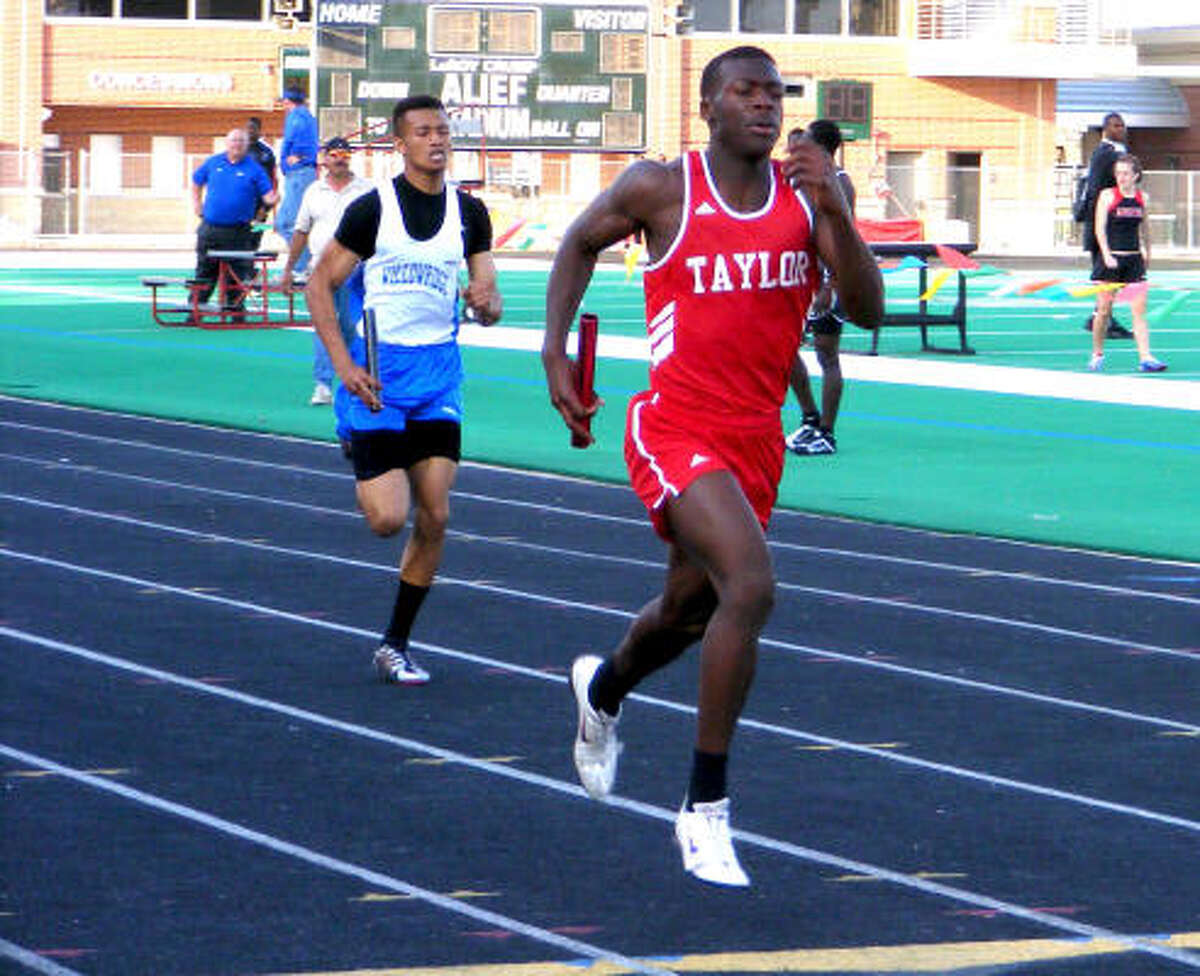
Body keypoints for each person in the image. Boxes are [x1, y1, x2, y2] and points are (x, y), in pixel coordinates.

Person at [542, 46, 883, 887]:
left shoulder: (807, 199)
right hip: (675, 427)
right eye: (746, 91)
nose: (765, 105)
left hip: (755, 441)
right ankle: (705, 808)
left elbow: (867, 310)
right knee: (752, 586)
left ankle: (603, 691)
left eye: (775, 93)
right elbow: (578, 243)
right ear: (709, 107)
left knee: (688, 613)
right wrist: (555, 351)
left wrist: (837, 210)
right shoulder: (663, 188)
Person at [305, 95, 502, 685]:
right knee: (388, 519)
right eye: (423, 132)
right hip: (377, 374)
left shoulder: (470, 213)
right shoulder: (373, 209)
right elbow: (319, 284)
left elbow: (489, 295)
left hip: (438, 375)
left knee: (436, 514)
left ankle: (395, 644)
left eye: (443, 131)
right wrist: (343, 365)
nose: (436, 140)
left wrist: (486, 302)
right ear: (401, 144)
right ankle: (353, 432)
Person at [281, 136, 373, 406]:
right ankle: (323, 383)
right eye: (334, 155)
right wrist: (289, 269)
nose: (340, 159)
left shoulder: (366, 191)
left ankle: (357, 371)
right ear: (325, 159)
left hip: (355, 270)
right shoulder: (314, 191)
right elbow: (301, 230)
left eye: (345, 155)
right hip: (321, 268)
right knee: (324, 323)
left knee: (347, 324)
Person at [783, 120, 856, 456]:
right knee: (785, 350)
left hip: (831, 279)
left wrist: (830, 283)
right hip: (806, 278)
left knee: (827, 355)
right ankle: (810, 418)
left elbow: (840, 237)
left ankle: (827, 432)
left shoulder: (838, 182)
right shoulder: (810, 179)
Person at [1089, 154, 1166, 373]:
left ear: (1135, 175)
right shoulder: (1107, 196)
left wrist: (1148, 253)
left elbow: (1145, 228)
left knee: (1138, 311)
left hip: (1133, 263)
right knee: (1104, 311)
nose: (1121, 177)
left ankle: (1146, 357)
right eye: (1118, 173)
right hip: (1110, 263)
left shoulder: (1142, 198)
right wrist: (1106, 255)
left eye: (1125, 173)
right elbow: (1099, 228)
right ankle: (1097, 353)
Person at [190, 128, 277, 316]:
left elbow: (268, 194)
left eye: (241, 141)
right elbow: (196, 182)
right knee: (205, 271)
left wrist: (272, 200)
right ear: (227, 143)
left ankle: (236, 311)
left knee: (237, 273)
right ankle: (195, 312)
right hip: (210, 229)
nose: (237, 144)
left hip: (239, 231)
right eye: (234, 140)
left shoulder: (254, 168)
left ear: (246, 145)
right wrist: (197, 204)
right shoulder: (213, 162)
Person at [1080, 112, 1134, 340]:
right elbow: (1096, 192)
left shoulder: (1108, 152)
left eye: (1122, 125)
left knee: (1114, 277)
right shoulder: (1106, 154)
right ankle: (1102, 319)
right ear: (1105, 129)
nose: (1121, 129)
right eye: (1116, 125)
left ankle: (1100, 317)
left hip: (1109, 227)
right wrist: (1100, 225)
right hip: (1104, 227)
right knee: (1109, 277)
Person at [275, 88, 320, 273]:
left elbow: (299, 144)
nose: (283, 105)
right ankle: (304, 264)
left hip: (299, 174)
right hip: (298, 174)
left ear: (289, 101)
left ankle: (302, 268)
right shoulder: (304, 116)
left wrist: (297, 156)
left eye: (284, 102)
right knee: (285, 223)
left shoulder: (297, 117)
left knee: (290, 223)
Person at [246, 116, 278, 250]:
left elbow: (273, 180)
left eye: (253, 128)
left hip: (260, 206)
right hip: (242, 205)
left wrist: (266, 208)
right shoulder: (240, 150)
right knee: (240, 240)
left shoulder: (267, 152)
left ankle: (252, 261)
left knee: (256, 239)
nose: (250, 131)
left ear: (259, 131)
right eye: (248, 128)